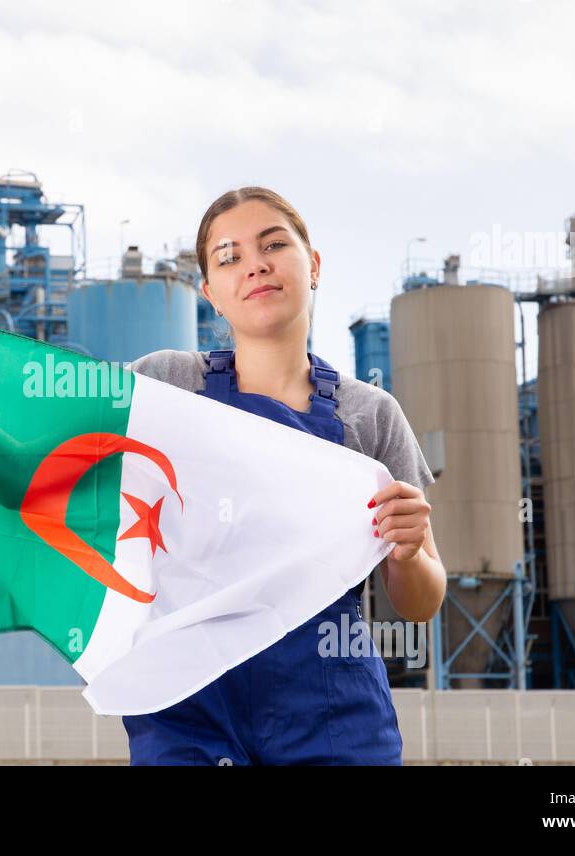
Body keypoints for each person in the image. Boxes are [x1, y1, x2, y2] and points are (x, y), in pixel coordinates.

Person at [121, 186, 446, 765]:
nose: (256, 265)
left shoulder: (369, 413)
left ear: (313, 264)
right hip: (189, 708)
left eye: (274, 245)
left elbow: (420, 603)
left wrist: (409, 550)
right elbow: (53, 444)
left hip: (333, 712)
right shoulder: (165, 385)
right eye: (230, 257)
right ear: (210, 295)